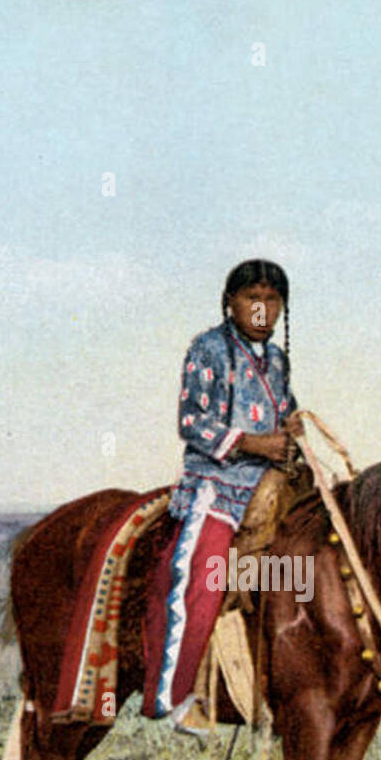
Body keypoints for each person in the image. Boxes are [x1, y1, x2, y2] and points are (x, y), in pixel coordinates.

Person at [142, 258, 302, 727]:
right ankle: (174, 699)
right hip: (217, 486)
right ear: (231, 303)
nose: (262, 311)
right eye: (253, 298)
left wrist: (290, 429)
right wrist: (255, 443)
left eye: (272, 301)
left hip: (270, 485)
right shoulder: (208, 348)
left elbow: (283, 414)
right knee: (205, 579)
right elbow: (191, 421)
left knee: (309, 566)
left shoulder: (276, 360)